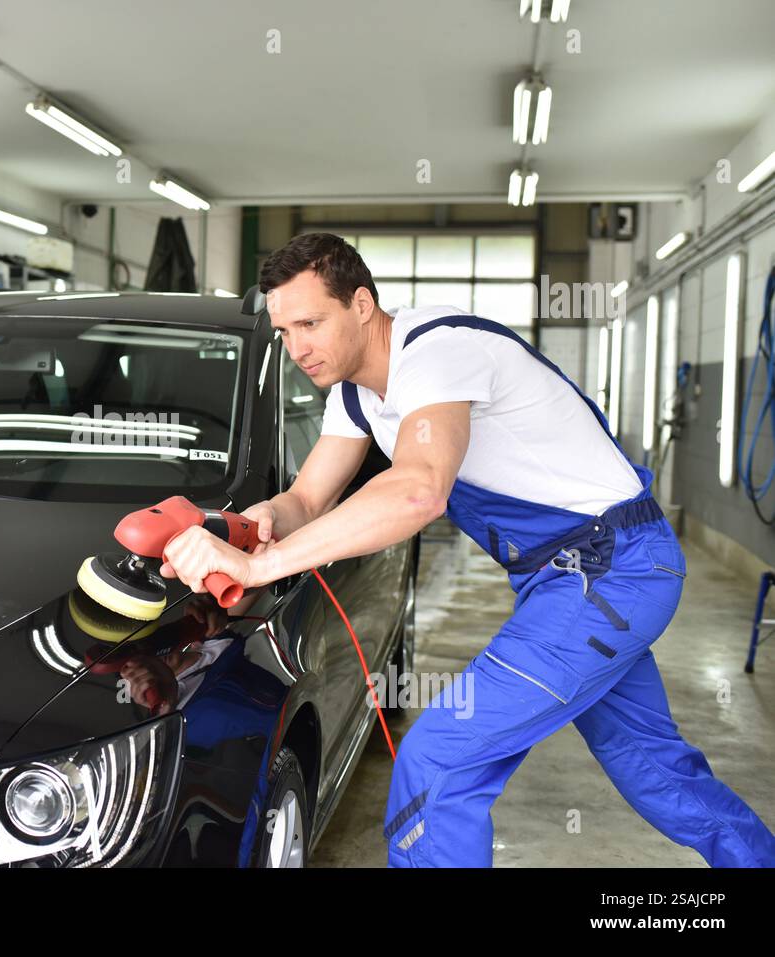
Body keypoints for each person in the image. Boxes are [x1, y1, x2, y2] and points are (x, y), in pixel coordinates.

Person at [158, 232, 775, 867]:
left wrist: (259, 566)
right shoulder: (356, 393)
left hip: (612, 570)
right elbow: (307, 499)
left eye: (311, 322)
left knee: (438, 764)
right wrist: (248, 525)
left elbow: (421, 489)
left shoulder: (437, 352)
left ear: (362, 305)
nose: (298, 348)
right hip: (571, 581)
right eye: (285, 331)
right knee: (656, 770)